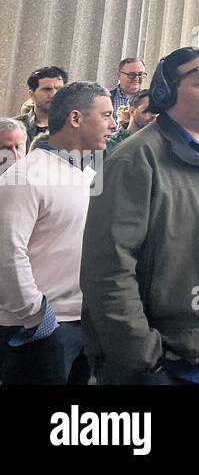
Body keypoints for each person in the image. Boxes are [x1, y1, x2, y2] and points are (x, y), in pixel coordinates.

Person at [81, 48, 199, 385]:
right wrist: (142, 354)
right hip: (168, 364)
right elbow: (107, 267)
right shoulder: (134, 159)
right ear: (166, 93)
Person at [0, 82, 113, 385]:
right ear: (76, 118)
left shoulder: (86, 175)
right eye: (106, 115)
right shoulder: (25, 177)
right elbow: (8, 254)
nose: (114, 124)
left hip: (82, 322)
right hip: (40, 328)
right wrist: (37, 317)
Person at [16, 67, 66, 147]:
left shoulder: (73, 127)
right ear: (32, 94)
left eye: (59, 89)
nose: (54, 94)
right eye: (47, 89)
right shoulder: (14, 128)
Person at [108, 57, 148, 127]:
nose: (136, 78)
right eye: (132, 75)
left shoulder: (149, 101)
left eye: (140, 74)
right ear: (119, 75)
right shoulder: (107, 98)